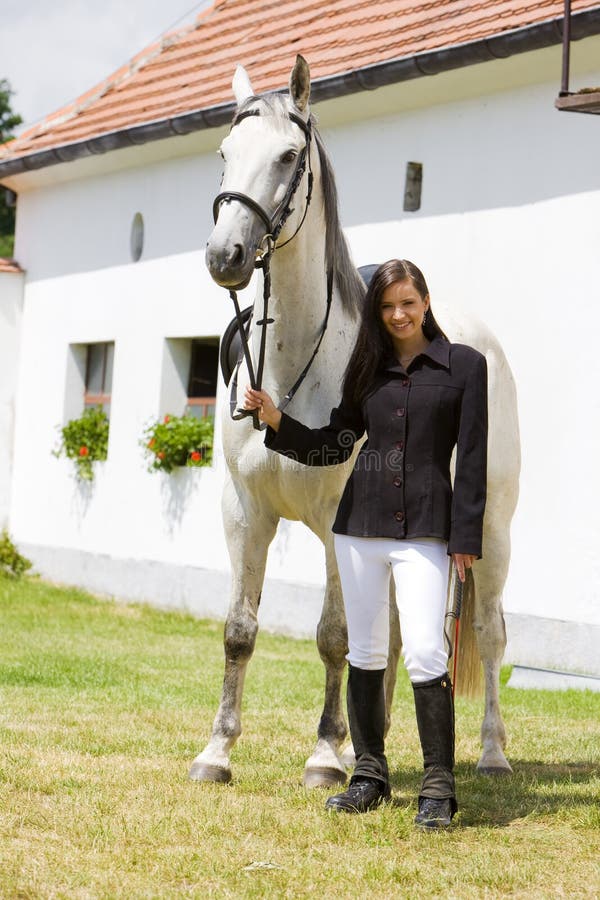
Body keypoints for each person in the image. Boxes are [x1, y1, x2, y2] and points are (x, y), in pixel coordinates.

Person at [244, 259, 487, 828]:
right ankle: (370, 776)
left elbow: (471, 459)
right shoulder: (368, 367)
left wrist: (465, 539)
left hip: (426, 530)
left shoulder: (464, 366)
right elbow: (336, 442)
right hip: (358, 528)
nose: (398, 314)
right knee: (366, 653)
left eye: (407, 302)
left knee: (427, 650)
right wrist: (278, 421)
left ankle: (437, 785)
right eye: (387, 306)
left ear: (425, 302)